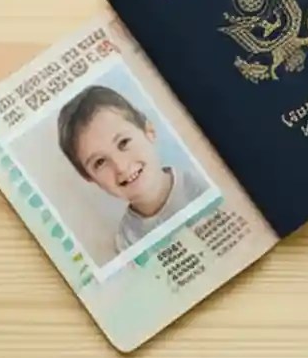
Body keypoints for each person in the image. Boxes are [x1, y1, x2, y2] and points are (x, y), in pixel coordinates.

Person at [57, 86, 209, 252]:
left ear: (149, 131)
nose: (121, 167)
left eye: (123, 143)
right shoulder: (127, 241)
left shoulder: (202, 182)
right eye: (100, 162)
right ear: (89, 177)